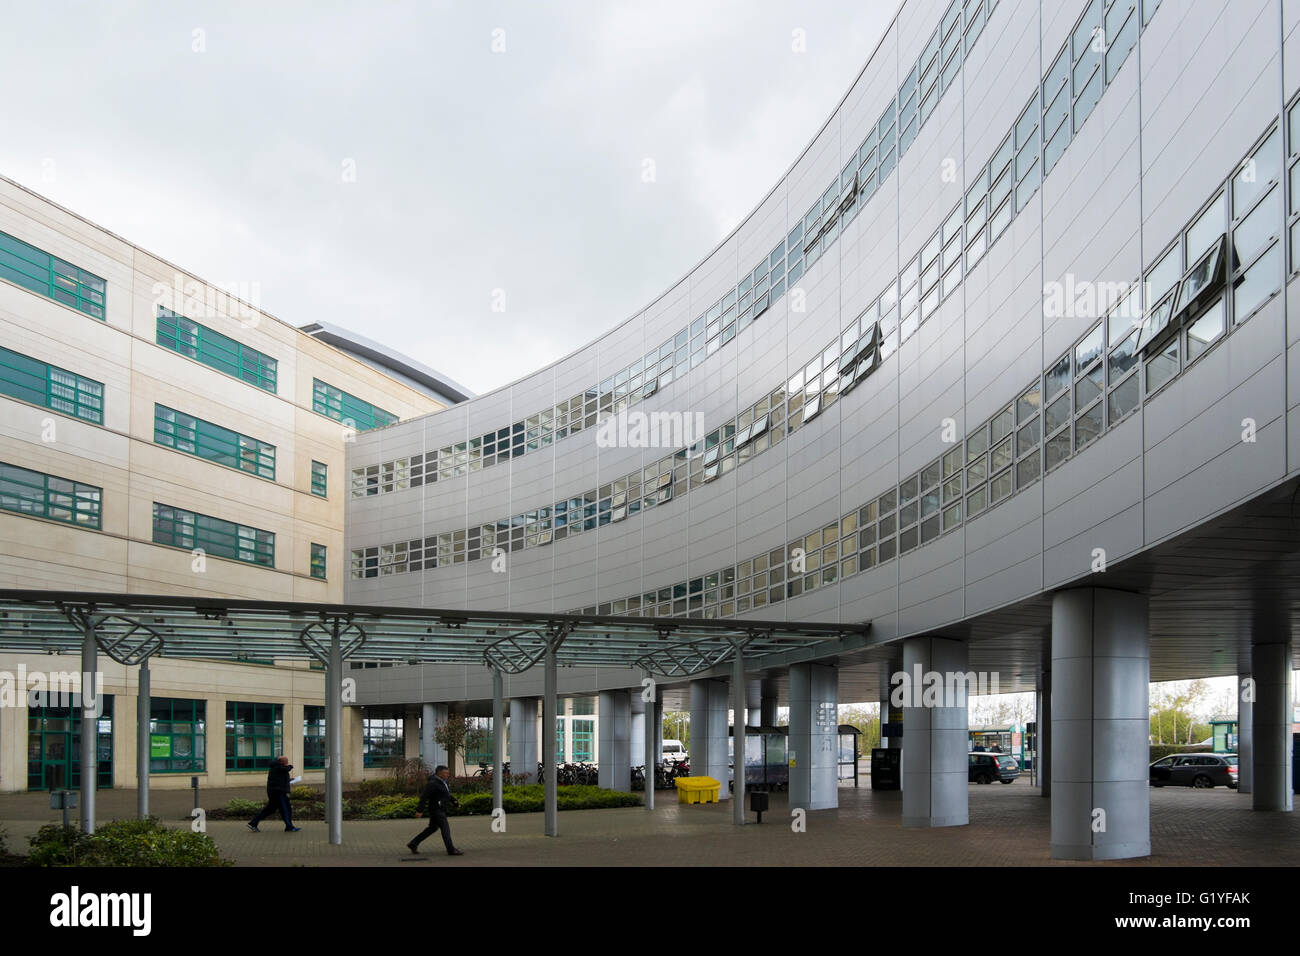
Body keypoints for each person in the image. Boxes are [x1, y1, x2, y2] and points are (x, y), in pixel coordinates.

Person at [407, 765, 463, 856]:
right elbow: (424, 797)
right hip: (436, 810)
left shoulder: (444, 782)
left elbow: (447, 795)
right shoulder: (433, 783)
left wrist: (455, 803)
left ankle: (413, 843)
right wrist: (419, 810)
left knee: (432, 828)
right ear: (439, 773)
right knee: (445, 829)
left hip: (440, 809)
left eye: (448, 773)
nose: (448, 775)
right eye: (446, 773)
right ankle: (451, 849)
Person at [248, 755, 301, 832]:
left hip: (277, 791)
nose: (287, 763)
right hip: (278, 792)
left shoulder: (277, 767)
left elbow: (280, 778)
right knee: (285, 809)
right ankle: (289, 826)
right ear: (282, 762)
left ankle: (253, 823)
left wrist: (291, 780)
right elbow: (286, 768)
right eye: (286, 761)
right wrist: (289, 766)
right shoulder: (277, 767)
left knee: (271, 809)